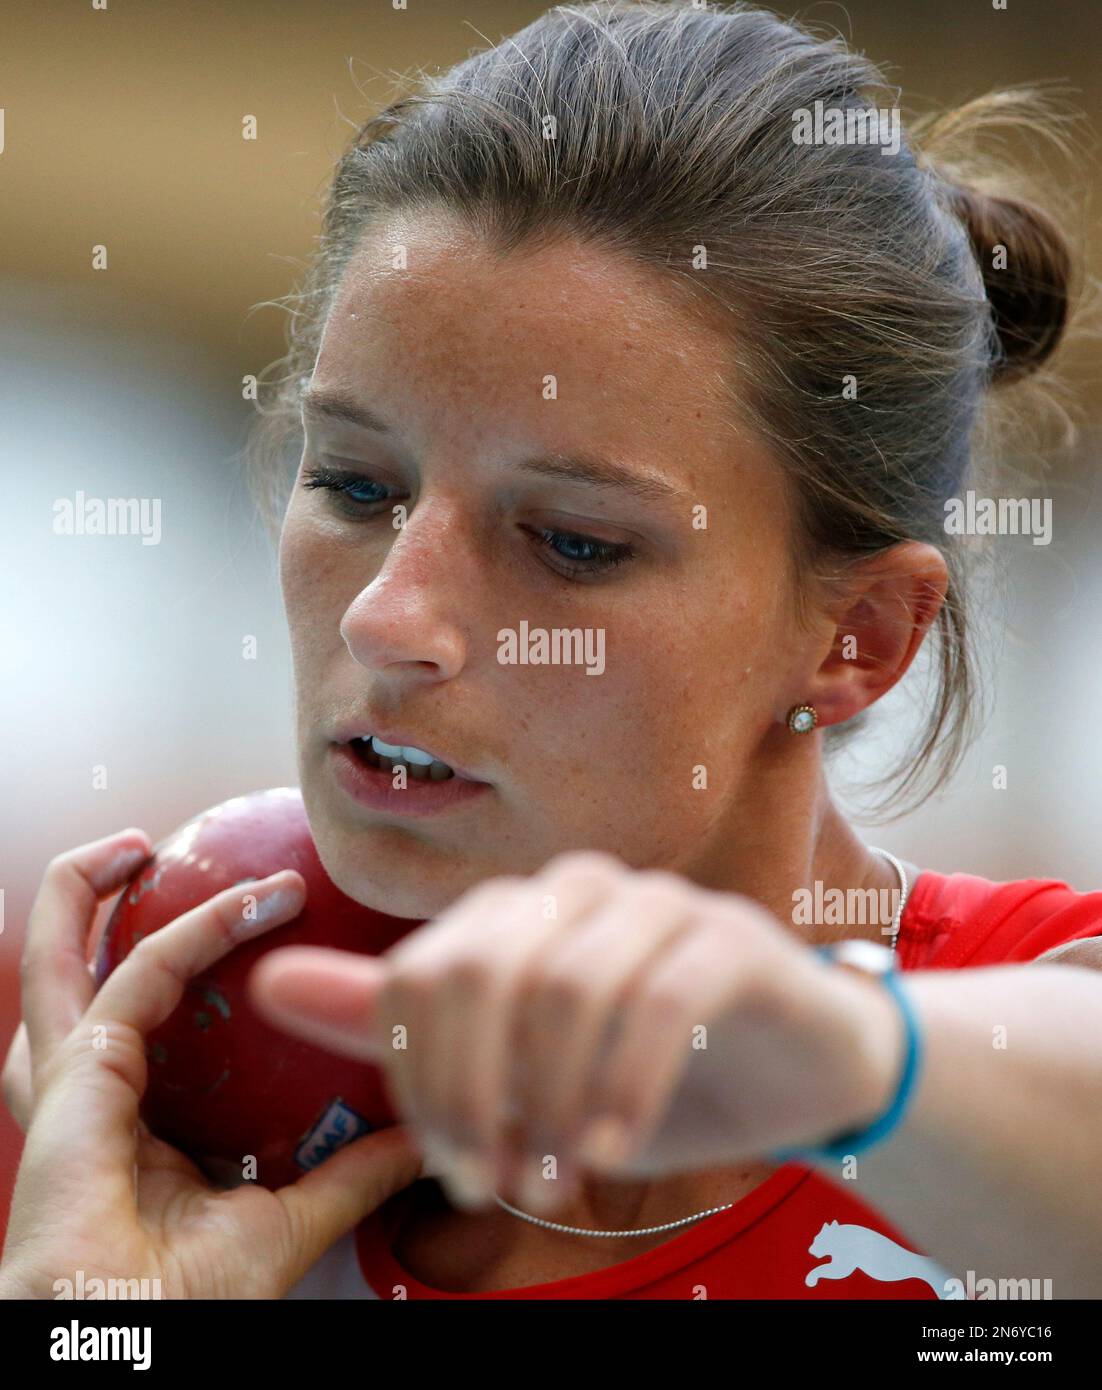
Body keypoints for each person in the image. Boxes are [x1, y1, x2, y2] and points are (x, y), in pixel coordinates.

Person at [3, 0, 1101, 1301]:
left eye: (572, 542)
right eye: (357, 485)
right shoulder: (143, 1112)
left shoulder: (1021, 1009)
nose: (385, 617)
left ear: (855, 638)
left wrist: (823, 1055)